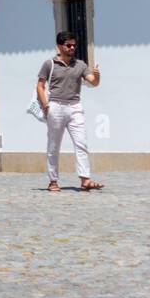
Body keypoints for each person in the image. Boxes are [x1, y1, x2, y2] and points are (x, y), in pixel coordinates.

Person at [39, 31, 103, 193]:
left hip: (75, 107)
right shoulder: (49, 64)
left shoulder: (80, 64)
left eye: (74, 45)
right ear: (60, 46)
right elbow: (40, 86)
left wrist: (97, 77)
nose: (72, 47)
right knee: (54, 145)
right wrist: (46, 106)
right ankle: (53, 181)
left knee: (81, 143)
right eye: (68, 45)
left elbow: (93, 83)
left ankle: (85, 179)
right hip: (56, 106)